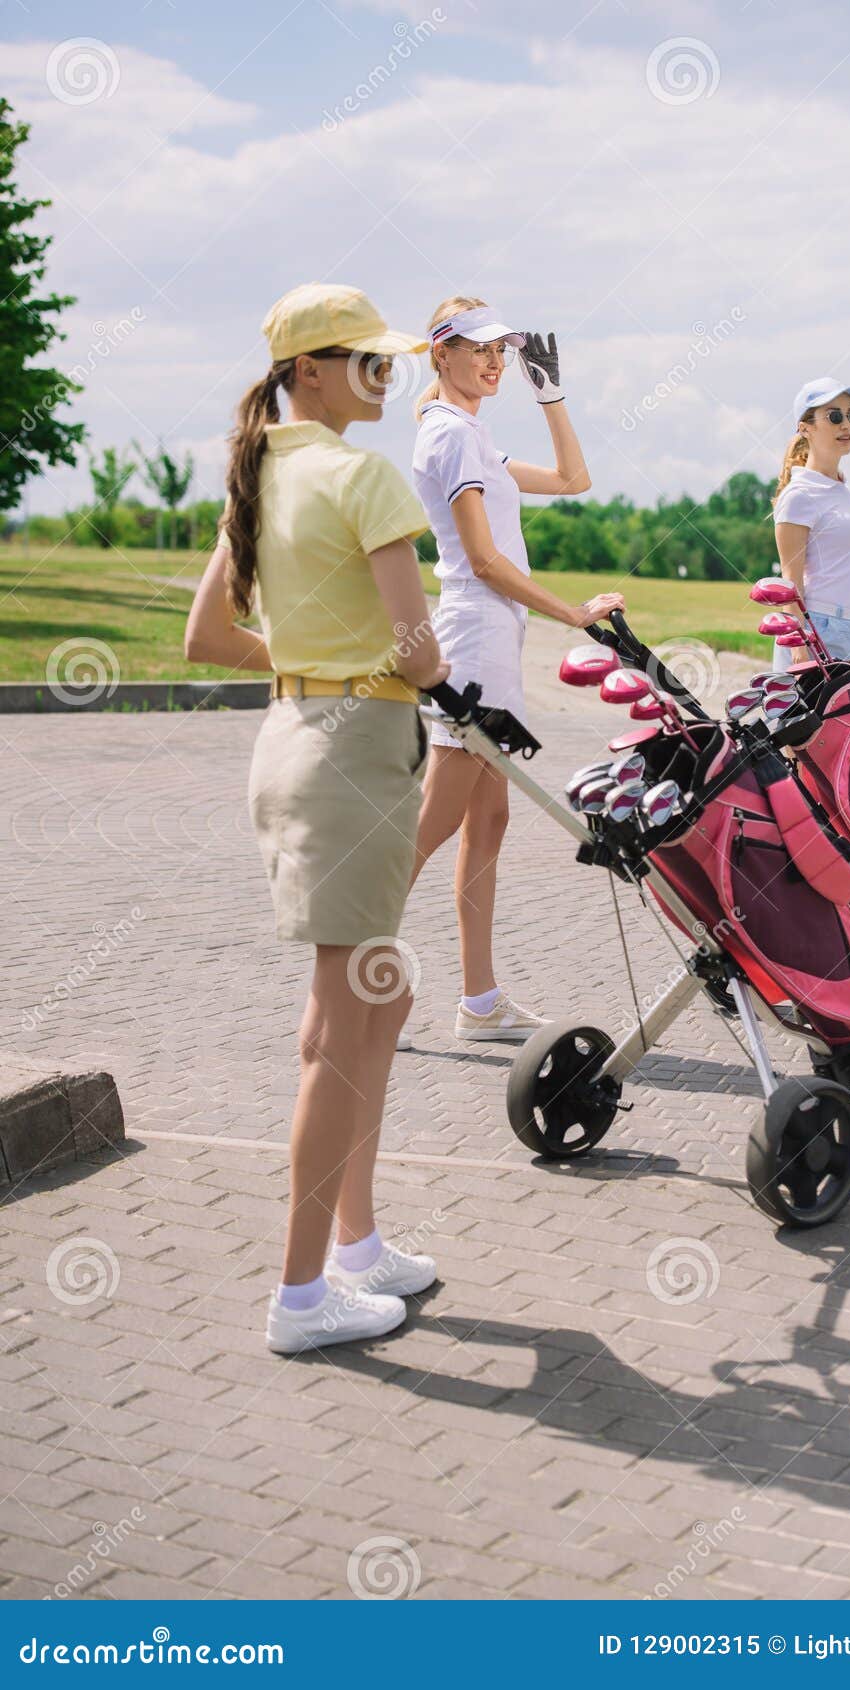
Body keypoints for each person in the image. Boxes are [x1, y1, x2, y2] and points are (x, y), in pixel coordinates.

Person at [185, 283, 449, 1355]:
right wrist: (364, 671)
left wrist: (312, 666)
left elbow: (210, 633)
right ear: (310, 371)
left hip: (300, 745)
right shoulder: (361, 475)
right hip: (353, 755)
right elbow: (421, 652)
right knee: (344, 1026)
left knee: (373, 1000)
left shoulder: (259, 474)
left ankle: (358, 1244)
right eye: (367, 362)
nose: (385, 377)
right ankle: (301, 1298)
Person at [408, 296, 624, 1043]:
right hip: (472, 641)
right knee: (428, 826)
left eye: (501, 348)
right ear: (441, 354)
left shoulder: (473, 436)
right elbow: (484, 561)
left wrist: (551, 394)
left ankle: (479, 1003)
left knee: (487, 820)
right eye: (477, 348)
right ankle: (347, 987)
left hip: (490, 639)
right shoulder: (451, 437)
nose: (494, 360)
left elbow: (573, 479)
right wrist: (573, 615)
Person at [770, 376, 850, 669]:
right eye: (834, 416)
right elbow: (790, 585)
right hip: (818, 632)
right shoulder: (799, 495)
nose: (846, 425)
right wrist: (799, 651)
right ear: (805, 428)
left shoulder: (841, 492)